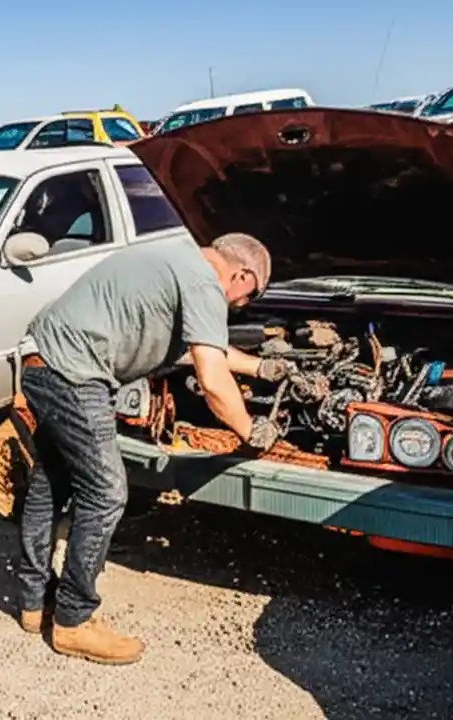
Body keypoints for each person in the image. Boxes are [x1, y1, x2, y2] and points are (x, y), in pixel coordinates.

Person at [15, 232, 288, 665]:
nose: (241, 305)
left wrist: (262, 366)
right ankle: (73, 621)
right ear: (242, 274)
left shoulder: (176, 256)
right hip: (74, 375)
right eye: (246, 296)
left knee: (51, 482)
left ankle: (34, 604)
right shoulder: (203, 283)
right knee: (106, 494)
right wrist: (250, 430)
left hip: (40, 363)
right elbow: (213, 379)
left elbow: (203, 345)